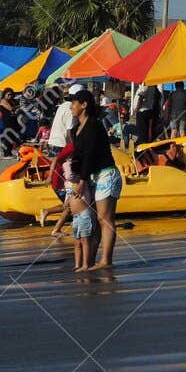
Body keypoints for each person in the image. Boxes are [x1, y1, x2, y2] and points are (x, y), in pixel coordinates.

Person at [65, 89, 121, 269]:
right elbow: (79, 156)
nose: (71, 106)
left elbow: (89, 155)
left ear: (84, 105)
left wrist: (81, 182)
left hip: (106, 173)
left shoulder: (94, 125)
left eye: (74, 103)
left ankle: (106, 261)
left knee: (105, 219)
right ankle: (90, 261)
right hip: (94, 177)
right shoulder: (76, 129)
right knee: (97, 221)